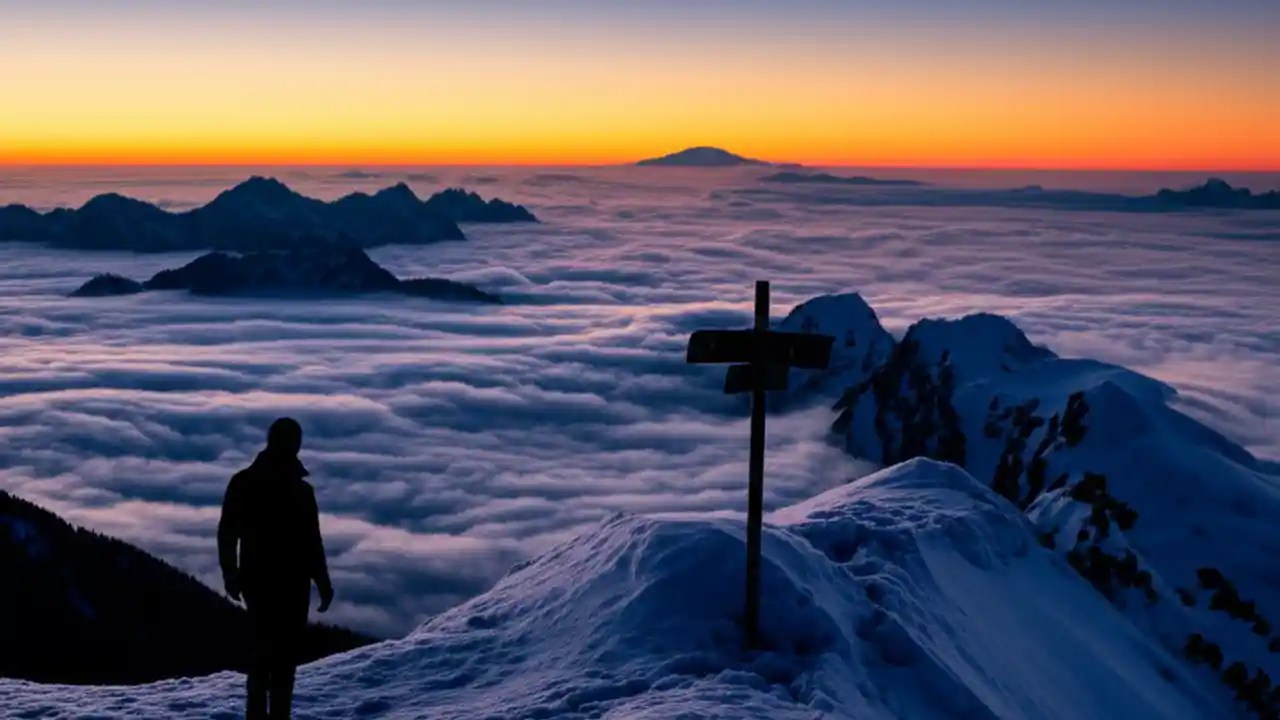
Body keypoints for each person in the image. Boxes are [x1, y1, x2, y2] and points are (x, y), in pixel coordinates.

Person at [218, 417, 334, 720]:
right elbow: (313, 543)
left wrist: (231, 574)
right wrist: (322, 582)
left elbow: (227, 533)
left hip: (257, 583)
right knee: (283, 667)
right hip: (291, 587)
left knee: (261, 661)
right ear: (295, 444)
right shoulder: (300, 492)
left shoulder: (243, 482)